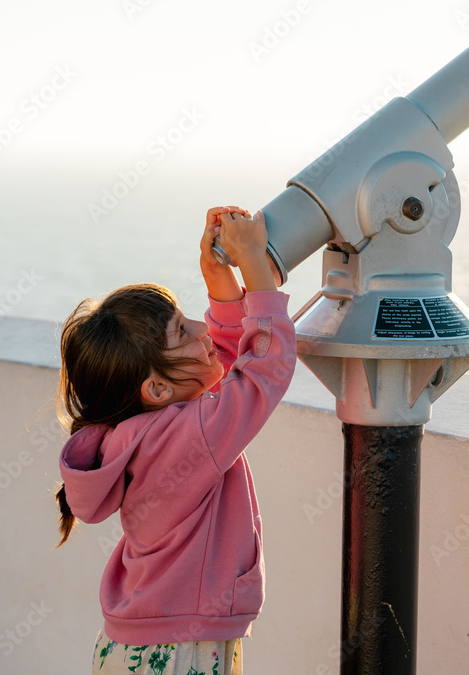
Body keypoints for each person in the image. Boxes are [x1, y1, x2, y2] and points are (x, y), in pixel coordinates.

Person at [54, 206, 296, 675]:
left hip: (142, 643)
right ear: (158, 390)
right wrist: (257, 274)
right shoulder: (186, 437)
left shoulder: (142, 432)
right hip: (179, 648)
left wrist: (219, 278)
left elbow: (218, 368)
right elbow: (261, 374)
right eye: (183, 330)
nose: (204, 329)